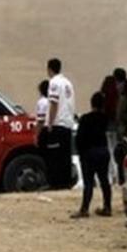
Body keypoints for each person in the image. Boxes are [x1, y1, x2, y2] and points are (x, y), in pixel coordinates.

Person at [72, 92, 112, 219]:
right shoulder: (105, 118)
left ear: (92, 104)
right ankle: (107, 207)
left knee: (88, 182)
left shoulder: (85, 118)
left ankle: (84, 209)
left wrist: (81, 152)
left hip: (89, 152)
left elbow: (80, 138)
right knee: (104, 180)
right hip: (103, 151)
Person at [44, 58, 76, 189]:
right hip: (68, 123)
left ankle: (56, 183)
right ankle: (66, 182)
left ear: (50, 69)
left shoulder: (54, 82)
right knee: (65, 156)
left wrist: (50, 123)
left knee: (55, 156)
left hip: (58, 123)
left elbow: (54, 103)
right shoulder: (68, 83)